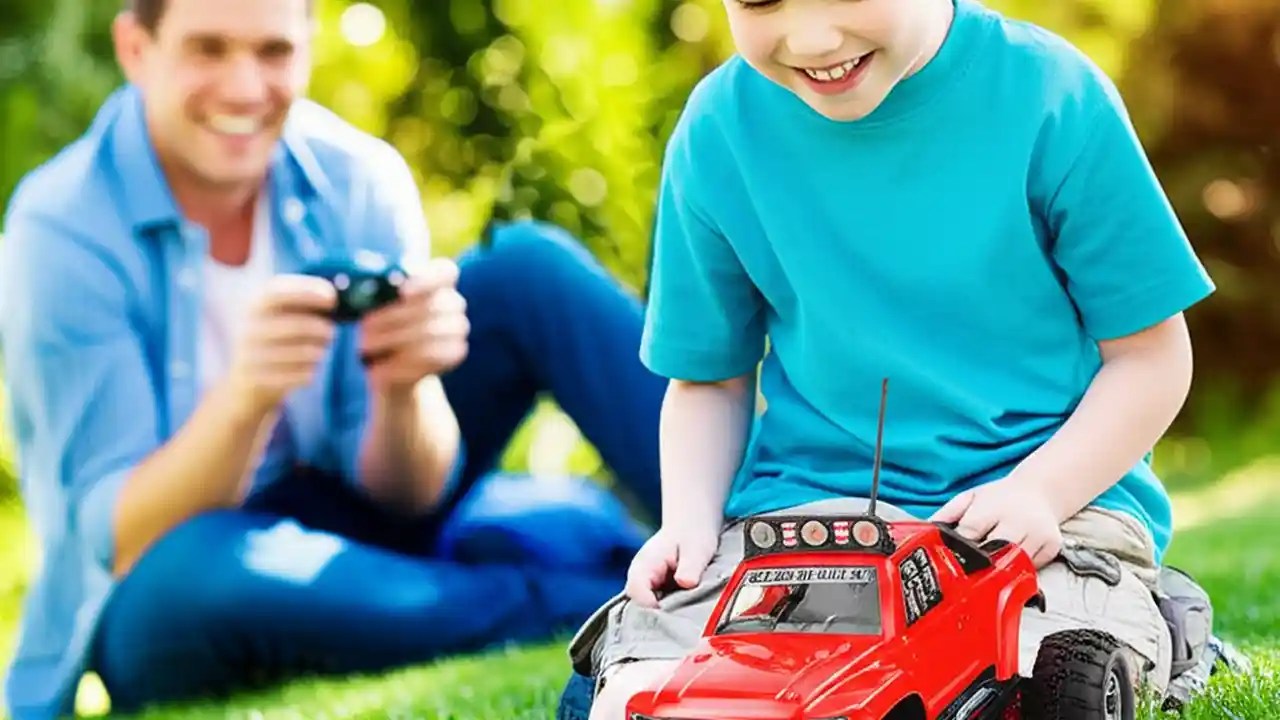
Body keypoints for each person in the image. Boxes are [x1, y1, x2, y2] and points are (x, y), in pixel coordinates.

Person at [0, 0, 668, 717]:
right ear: (136, 48)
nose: (245, 88)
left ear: (308, 46)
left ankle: (751, 538)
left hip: (352, 523)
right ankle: (609, 603)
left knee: (527, 272)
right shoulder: (62, 230)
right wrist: (247, 398)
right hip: (177, 574)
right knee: (200, 577)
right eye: (209, 50)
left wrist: (404, 389)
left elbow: (402, 497)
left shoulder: (355, 177)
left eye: (274, 52)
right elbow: (120, 538)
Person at [559, 0, 1226, 718]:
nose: (811, 37)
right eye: (759, 1)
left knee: (1039, 678)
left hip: (1050, 509)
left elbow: (1151, 359)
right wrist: (688, 521)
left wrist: (1041, 490)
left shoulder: (1052, 94)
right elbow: (709, 380)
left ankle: (1158, 620)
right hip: (808, 517)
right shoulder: (718, 130)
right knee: (638, 679)